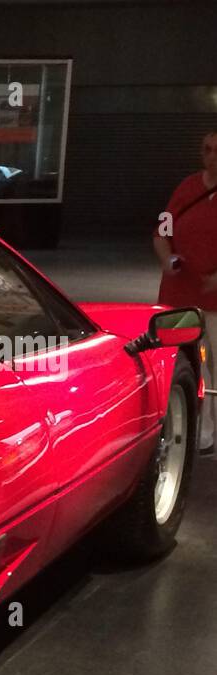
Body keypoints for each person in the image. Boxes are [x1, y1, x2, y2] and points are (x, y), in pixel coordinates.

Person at [154, 130, 217, 453]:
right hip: (179, 298)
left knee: (214, 370)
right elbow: (162, 231)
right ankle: (181, 428)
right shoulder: (186, 189)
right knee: (177, 364)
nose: (212, 156)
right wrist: (168, 259)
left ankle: (209, 433)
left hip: (214, 303)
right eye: (207, 149)